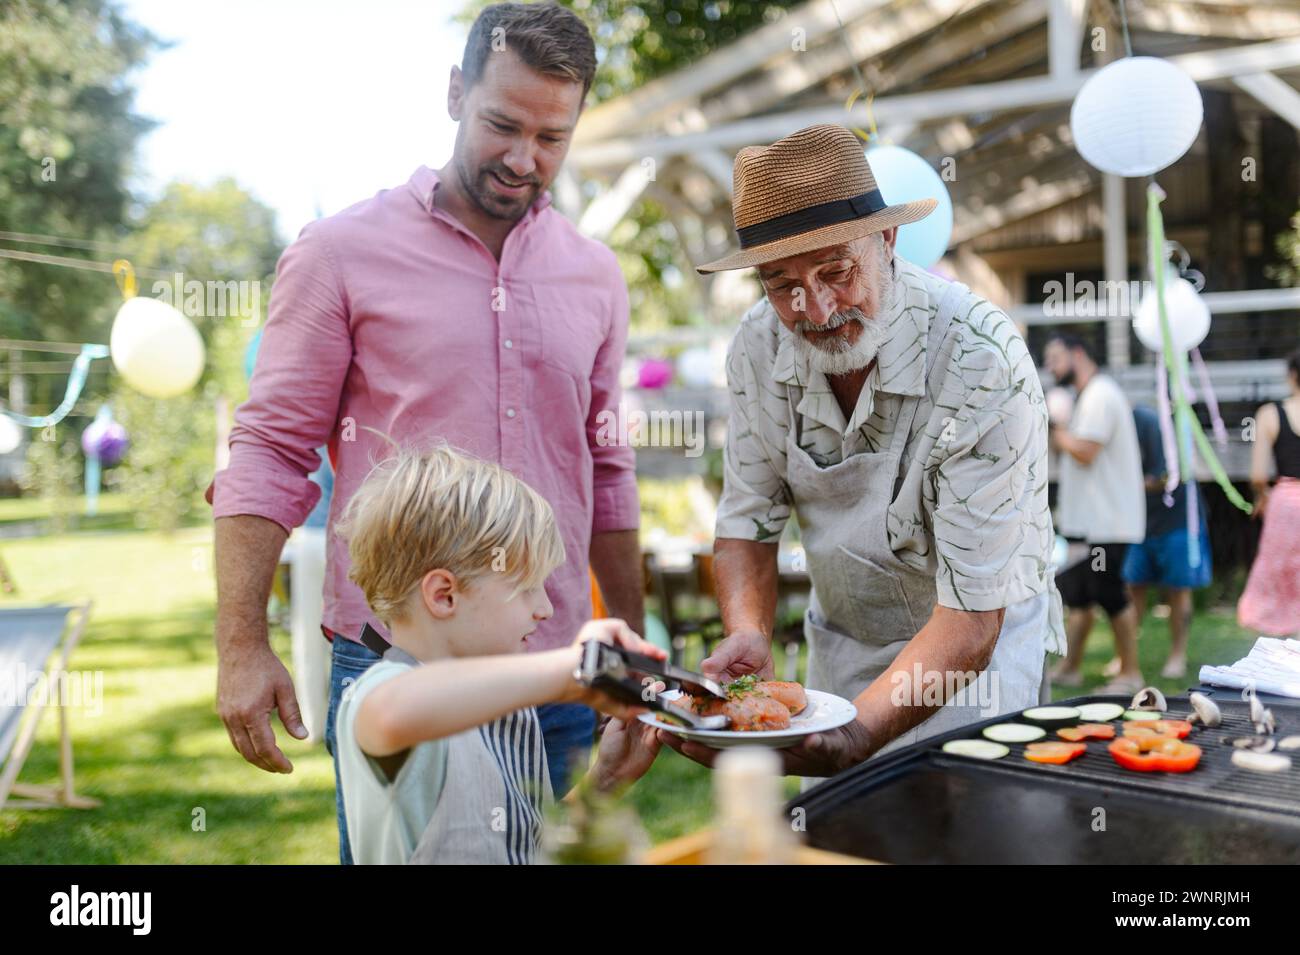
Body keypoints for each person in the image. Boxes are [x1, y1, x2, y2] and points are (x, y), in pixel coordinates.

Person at [207, 2, 643, 865]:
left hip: (550, 667)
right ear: (455, 94)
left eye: (551, 137)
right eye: (501, 124)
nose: (524, 159)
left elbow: (607, 467)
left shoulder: (595, 276)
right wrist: (242, 644)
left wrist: (631, 668)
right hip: (390, 661)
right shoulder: (339, 253)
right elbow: (269, 451)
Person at [660, 124, 1065, 779]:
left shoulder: (980, 359)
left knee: (961, 834)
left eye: (836, 271)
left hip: (970, 663)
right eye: (780, 282)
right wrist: (748, 631)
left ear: (887, 239)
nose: (815, 306)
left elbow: (969, 620)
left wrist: (852, 736)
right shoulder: (756, 349)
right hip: (844, 646)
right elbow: (746, 522)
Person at [334, 444, 662, 864]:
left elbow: (525, 848)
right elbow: (393, 711)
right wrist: (569, 673)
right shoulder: (377, 694)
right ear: (444, 595)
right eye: (526, 587)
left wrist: (608, 776)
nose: (544, 608)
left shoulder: (509, 709)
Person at [1043, 333, 1145, 692]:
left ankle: (1130, 674)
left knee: (1108, 591)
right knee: (1078, 594)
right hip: (1085, 524)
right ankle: (1070, 668)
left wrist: (1055, 428)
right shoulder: (1086, 396)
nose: (1050, 366)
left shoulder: (1101, 393)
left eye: (1055, 357)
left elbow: (1085, 450)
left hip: (1109, 525)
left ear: (1078, 353)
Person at [1111, 405, 1212, 680]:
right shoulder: (1115, 427)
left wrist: (1125, 485)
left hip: (1177, 520)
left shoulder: (1151, 423)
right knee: (1132, 586)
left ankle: (1178, 655)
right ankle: (1125, 656)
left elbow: (1167, 476)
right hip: (1141, 520)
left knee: (1177, 590)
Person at [1238, 349, 1300, 636]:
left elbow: (1258, 475)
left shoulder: (1270, 414)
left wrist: (1261, 496)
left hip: (1286, 503)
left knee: (1279, 568)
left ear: (1292, 376)